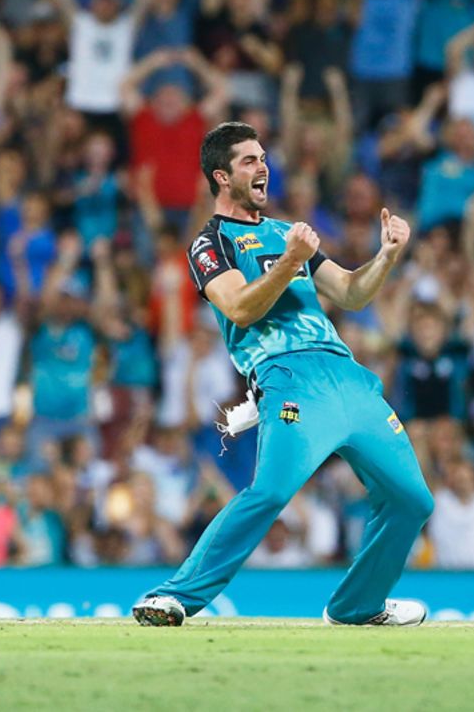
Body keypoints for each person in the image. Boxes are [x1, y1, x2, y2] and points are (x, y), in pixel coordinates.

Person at [133, 122, 432, 627]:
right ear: (221, 177)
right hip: (288, 377)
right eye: (249, 160)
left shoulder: (283, 232)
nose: (263, 166)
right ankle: (174, 596)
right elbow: (239, 309)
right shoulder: (211, 243)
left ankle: (356, 606)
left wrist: (386, 255)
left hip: (347, 376)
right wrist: (289, 261)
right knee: (271, 492)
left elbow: (353, 294)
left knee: (412, 500)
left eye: (264, 157)